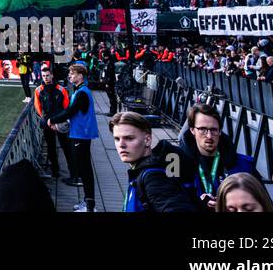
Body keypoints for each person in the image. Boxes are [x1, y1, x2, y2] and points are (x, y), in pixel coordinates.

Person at [109, 111, 198, 212]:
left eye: (129, 138)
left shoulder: (153, 177)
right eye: (117, 139)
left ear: (147, 140)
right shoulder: (146, 169)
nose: (121, 145)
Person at [179, 102, 259, 210]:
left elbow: (263, 203)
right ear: (192, 130)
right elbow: (169, 201)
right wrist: (197, 203)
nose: (209, 136)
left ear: (220, 131)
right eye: (202, 129)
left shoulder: (244, 165)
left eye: (213, 130)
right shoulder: (176, 164)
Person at [46, 63, 98, 211]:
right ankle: (87, 203)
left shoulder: (82, 92)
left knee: (85, 170)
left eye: (72, 73)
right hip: (80, 134)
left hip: (81, 135)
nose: (70, 76)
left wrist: (52, 120)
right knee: (84, 169)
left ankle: (89, 207)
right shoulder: (81, 90)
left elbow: (70, 111)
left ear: (80, 76)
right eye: (70, 73)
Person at [32, 63, 70, 180]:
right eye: (43, 76)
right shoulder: (38, 90)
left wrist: (60, 120)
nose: (46, 78)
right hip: (47, 123)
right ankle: (55, 170)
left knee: (66, 146)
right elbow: (38, 107)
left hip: (60, 122)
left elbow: (66, 106)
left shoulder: (61, 90)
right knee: (51, 147)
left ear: (52, 76)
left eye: (48, 75)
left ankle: (73, 170)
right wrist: (45, 119)